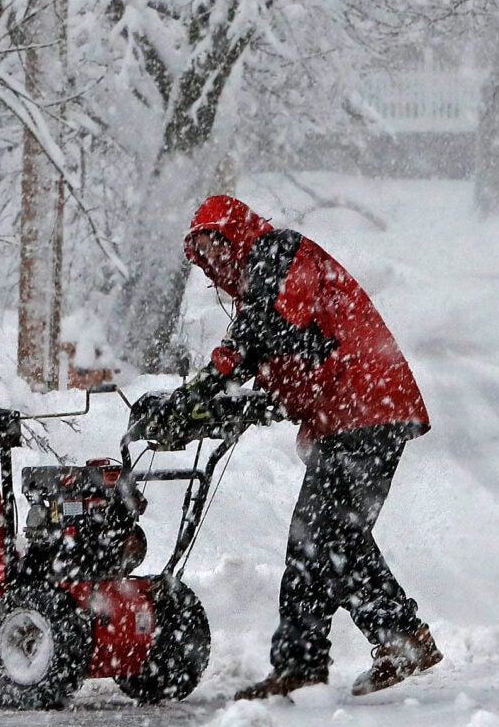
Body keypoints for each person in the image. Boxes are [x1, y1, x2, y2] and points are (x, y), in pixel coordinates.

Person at [175, 194, 442, 699]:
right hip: (348, 412)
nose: (212, 267)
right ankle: (312, 660)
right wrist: (234, 406)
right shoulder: (261, 289)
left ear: (234, 234)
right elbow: (295, 360)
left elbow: (264, 334)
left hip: (368, 404)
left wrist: (205, 387)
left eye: (215, 249)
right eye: (202, 259)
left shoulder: (279, 252)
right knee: (316, 541)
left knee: (326, 538)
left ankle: (393, 639)